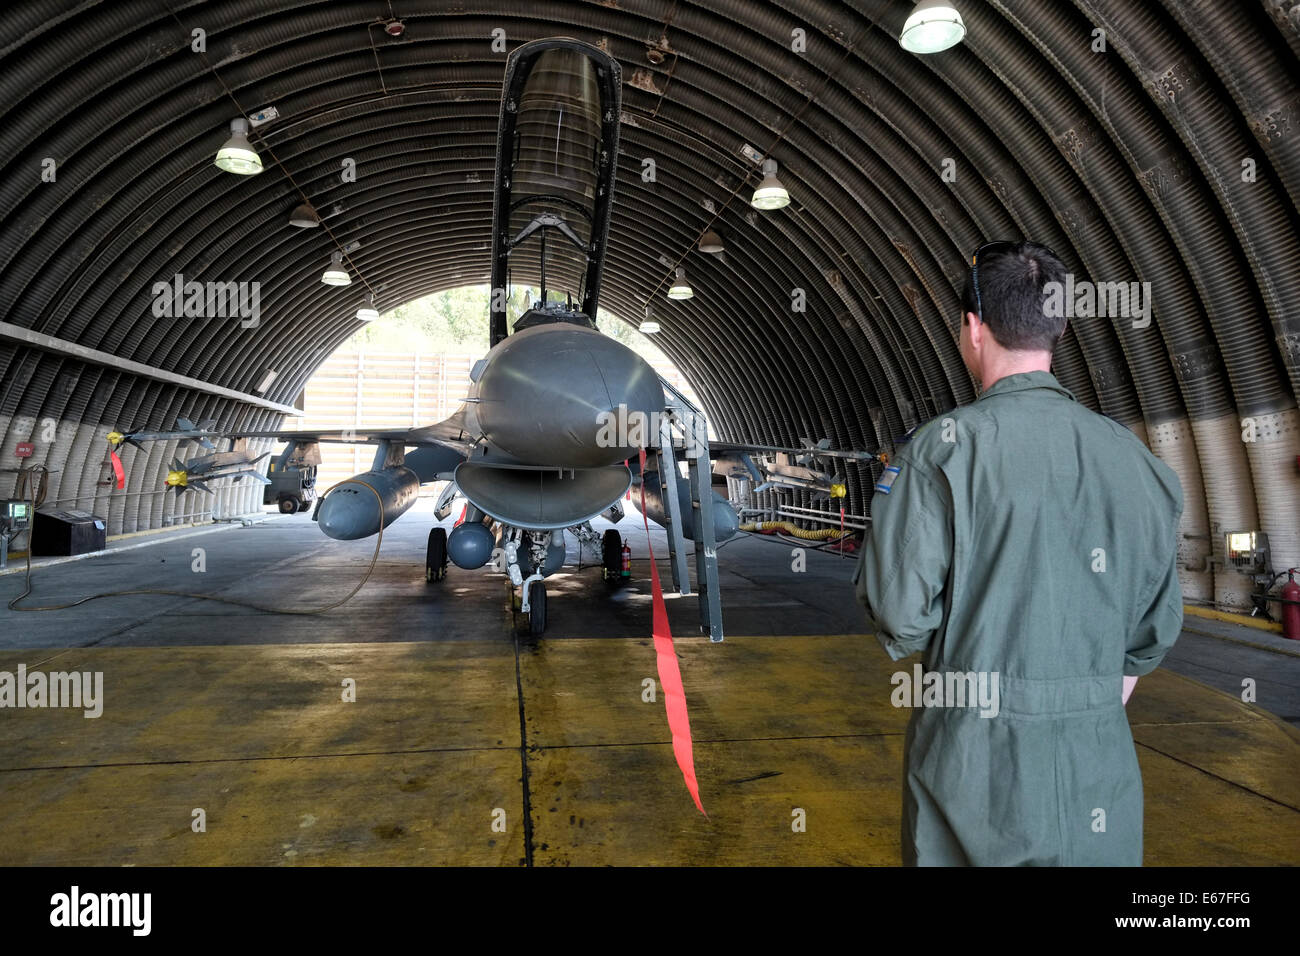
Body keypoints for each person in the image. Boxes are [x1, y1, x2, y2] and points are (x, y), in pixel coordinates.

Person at [853, 240, 1184, 866]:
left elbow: (900, 614)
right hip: (1097, 765)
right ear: (1056, 326)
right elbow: (1148, 635)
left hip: (975, 766)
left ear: (973, 329)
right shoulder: (1139, 462)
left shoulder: (939, 452)